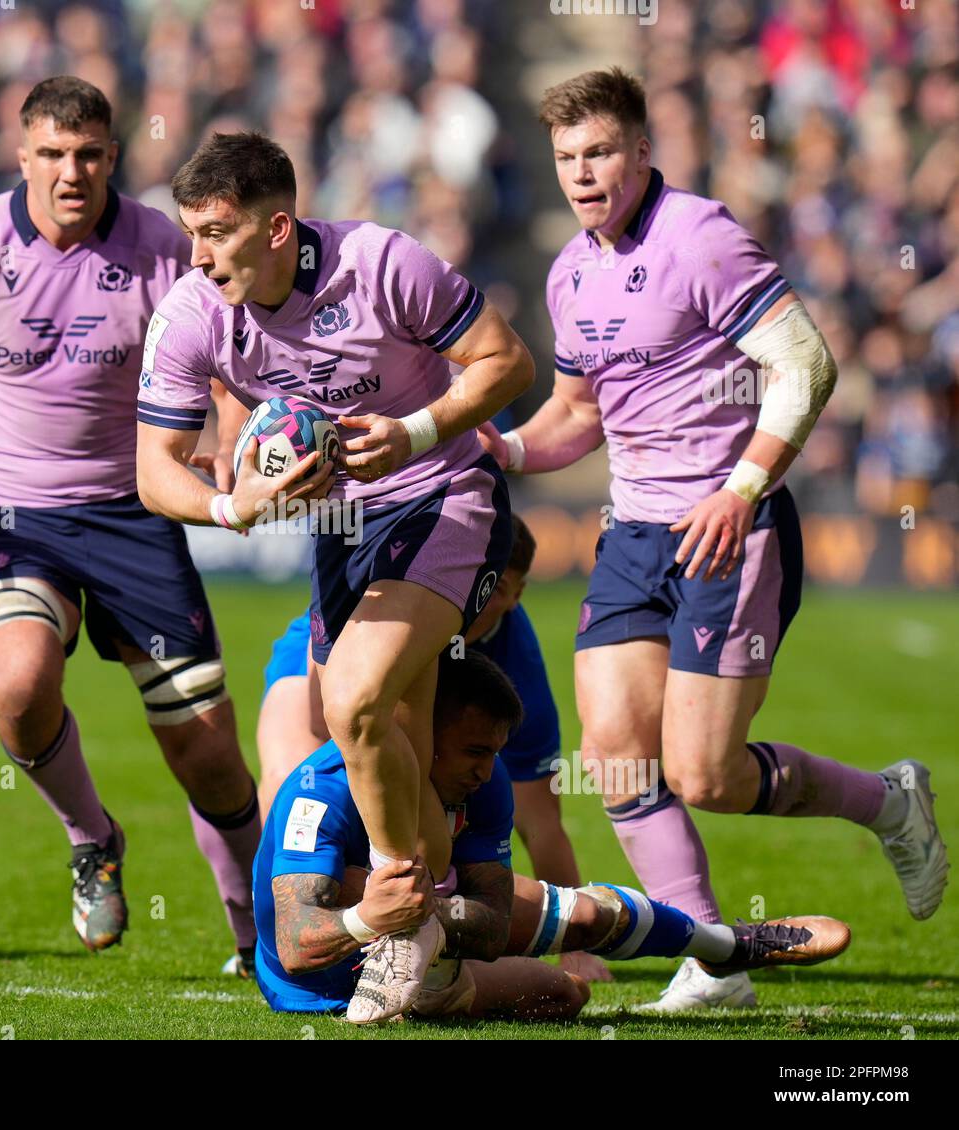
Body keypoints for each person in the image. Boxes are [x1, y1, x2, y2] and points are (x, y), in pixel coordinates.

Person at [479, 66, 946, 1011]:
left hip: (732, 530)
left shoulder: (701, 235)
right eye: (567, 157)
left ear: (643, 150)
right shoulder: (572, 270)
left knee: (707, 776)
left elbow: (806, 362)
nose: (581, 173)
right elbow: (578, 414)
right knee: (614, 755)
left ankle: (890, 801)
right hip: (634, 535)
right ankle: (717, 959)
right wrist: (503, 445)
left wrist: (741, 488)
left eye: (600, 150)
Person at [0, 77, 261, 968]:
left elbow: (230, 359)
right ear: (23, 156)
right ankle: (92, 840)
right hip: (12, 515)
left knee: (209, 757)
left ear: (113, 157)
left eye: (88, 154)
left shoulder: (164, 246)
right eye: (52, 154)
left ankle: (257, 926)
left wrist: (230, 437)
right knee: (17, 684)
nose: (70, 172)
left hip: (134, 509)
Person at [136, 129, 535, 1023]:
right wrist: (236, 507)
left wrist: (417, 431)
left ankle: (401, 925)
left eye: (215, 231)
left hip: (445, 497)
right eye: (189, 230)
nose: (197, 255)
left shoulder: (382, 263)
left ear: (278, 229)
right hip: (343, 529)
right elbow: (153, 470)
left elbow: (510, 362)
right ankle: (448, 927)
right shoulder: (192, 312)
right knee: (393, 735)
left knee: (351, 700)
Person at [255, 651, 851, 1018]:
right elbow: (294, 943)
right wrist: (370, 919)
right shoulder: (323, 788)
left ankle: (729, 949)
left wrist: (420, 915)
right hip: (322, 985)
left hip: (437, 946)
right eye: (472, 751)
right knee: (556, 992)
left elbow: (489, 920)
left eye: (494, 753)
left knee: (571, 981)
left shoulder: (486, 782)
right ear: (421, 736)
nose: (485, 770)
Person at [255, 514, 613, 984]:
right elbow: (326, 730)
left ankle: (415, 934)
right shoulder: (386, 607)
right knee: (292, 779)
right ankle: (270, 938)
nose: (473, 602)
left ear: (511, 593)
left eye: (489, 589)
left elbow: (541, 817)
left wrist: (576, 953)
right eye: (469, 585)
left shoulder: (514, 664)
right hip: (349, 664)